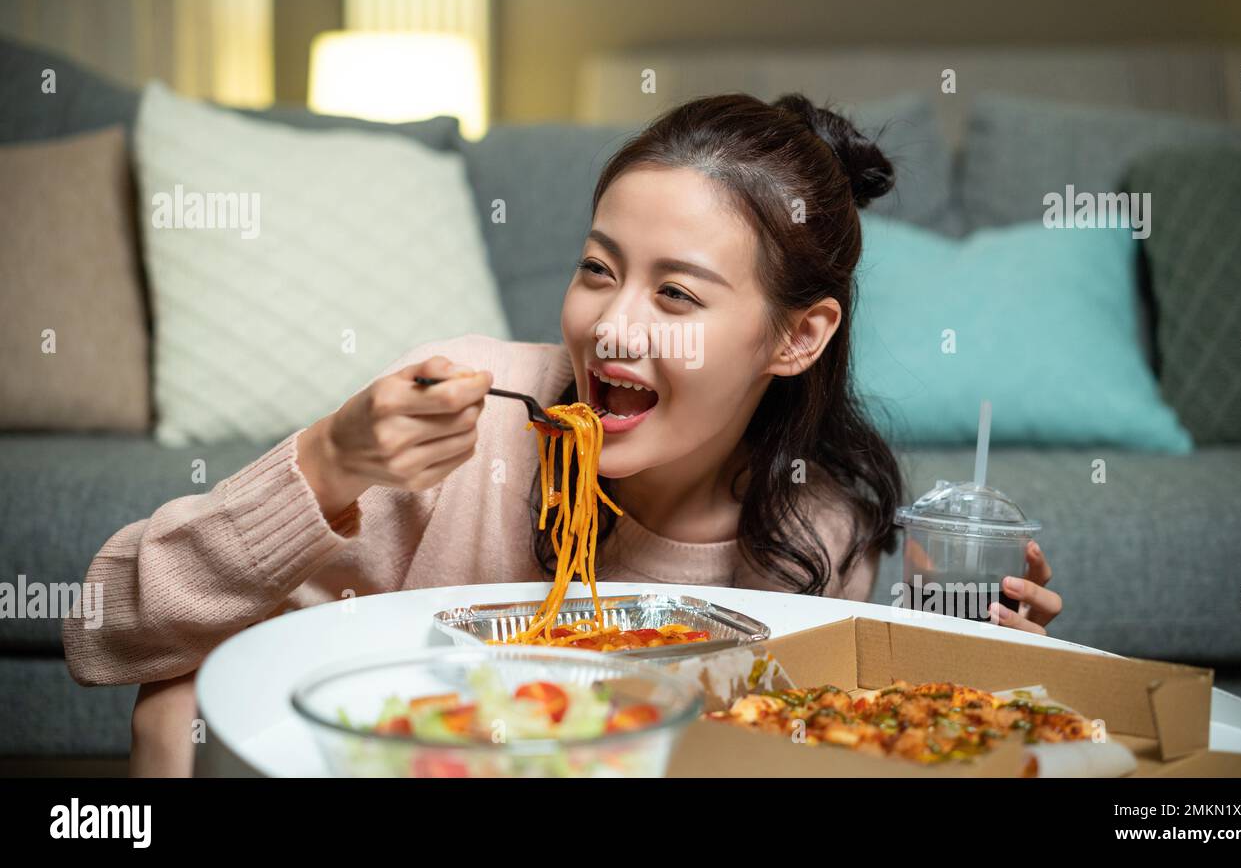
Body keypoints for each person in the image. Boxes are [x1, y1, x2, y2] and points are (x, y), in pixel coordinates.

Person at [64, 93, 1061, 776]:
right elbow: (102, 625)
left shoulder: (821, 523)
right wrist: (329, 464)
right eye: (597, 270)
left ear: (796, 337)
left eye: (675, 292)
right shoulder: (458, 417)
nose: (611, 327)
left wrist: (985, 684)